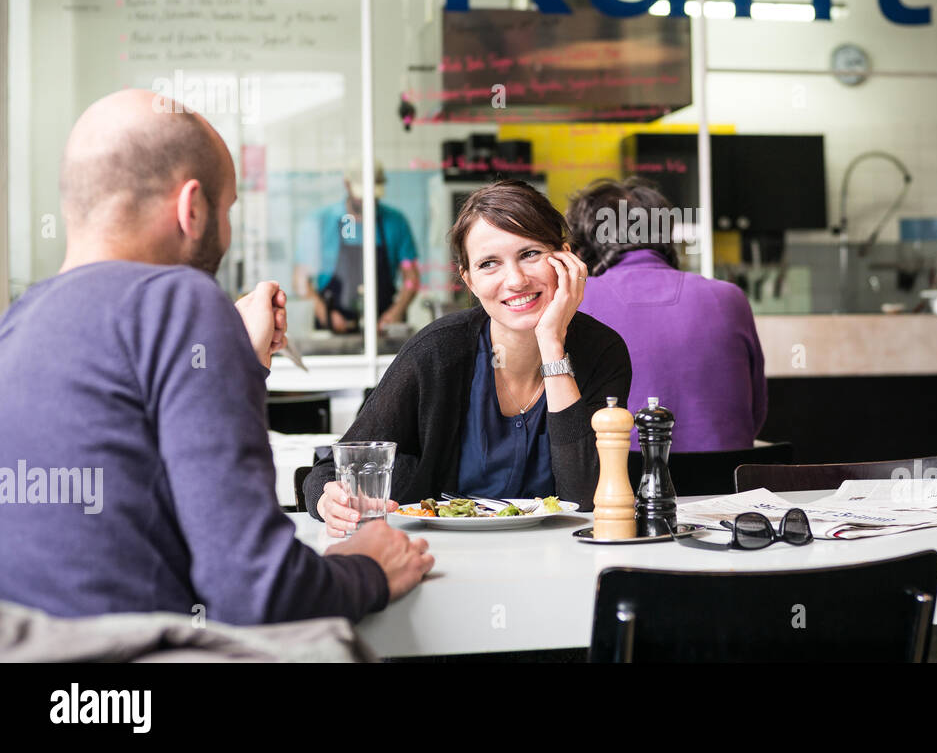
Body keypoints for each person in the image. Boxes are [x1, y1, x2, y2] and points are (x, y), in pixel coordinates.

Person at [0, 90, 432, 625]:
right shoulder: (180, 301)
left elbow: (137, 500)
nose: (224, 231)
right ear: (192, 208)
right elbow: (260, 590)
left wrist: (237, 361)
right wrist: (367, 566)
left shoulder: (18, 321)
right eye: (226, 210)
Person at [305, 179, 631, 535]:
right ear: (469, 280)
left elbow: (585, 496)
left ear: (566, 258)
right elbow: (327, 473)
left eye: (530, 254)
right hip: (445, 560)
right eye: (489, 263)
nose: (516, 279)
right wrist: (329, 501)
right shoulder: (437, 352)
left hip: (563, 560)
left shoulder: (601, 351)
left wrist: (552, 344)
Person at [566, 178, 767, 453]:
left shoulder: (572, 301)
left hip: (621, 488)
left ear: (580, 248)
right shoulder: (730, 298)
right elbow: (756, 414)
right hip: (728, 485)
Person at [294, 162, 420, 333]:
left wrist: (396, 312)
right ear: (347, 185)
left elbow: (411, 277)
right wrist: (325, 314)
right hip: (331, 330)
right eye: (362, 196)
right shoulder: (321, 222)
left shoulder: (396, 222)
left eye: (373, 196)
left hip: (383, 329)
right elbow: (300, 280)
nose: (368, 201)